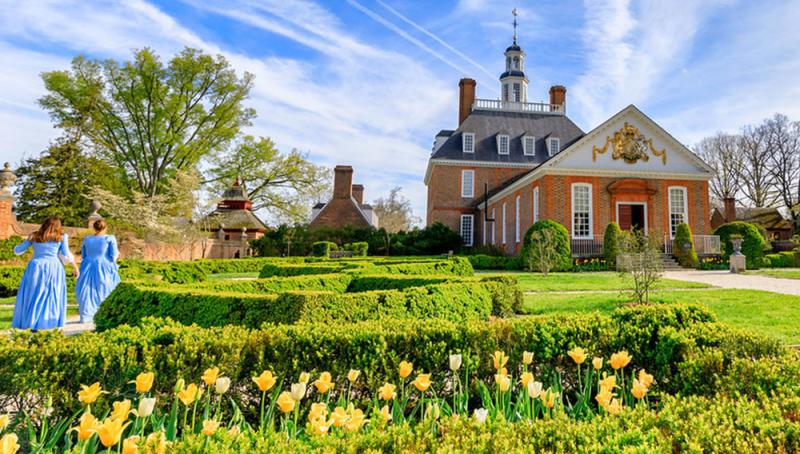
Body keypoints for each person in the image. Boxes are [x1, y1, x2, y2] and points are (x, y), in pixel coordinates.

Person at [12, 218, 79, 330]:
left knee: (34, 294)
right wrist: (75, 267)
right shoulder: (62, 237)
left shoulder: (34, 236)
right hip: (54, 267)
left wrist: (26, 241)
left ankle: (31, 322)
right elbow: (66, 254)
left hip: (36, 267)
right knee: (51, 294)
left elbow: (18, 250)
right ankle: (47, 322)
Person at [75, 219, 120, 323]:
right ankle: (104, 313)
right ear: (105, 227)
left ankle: (86, 315)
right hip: (104, 265)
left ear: (94, 227)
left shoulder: (87, 239)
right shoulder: (110, 238)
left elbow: (83, 255)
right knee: (105, 288)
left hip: (87, 265)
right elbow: (113, 256)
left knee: (87, 290)